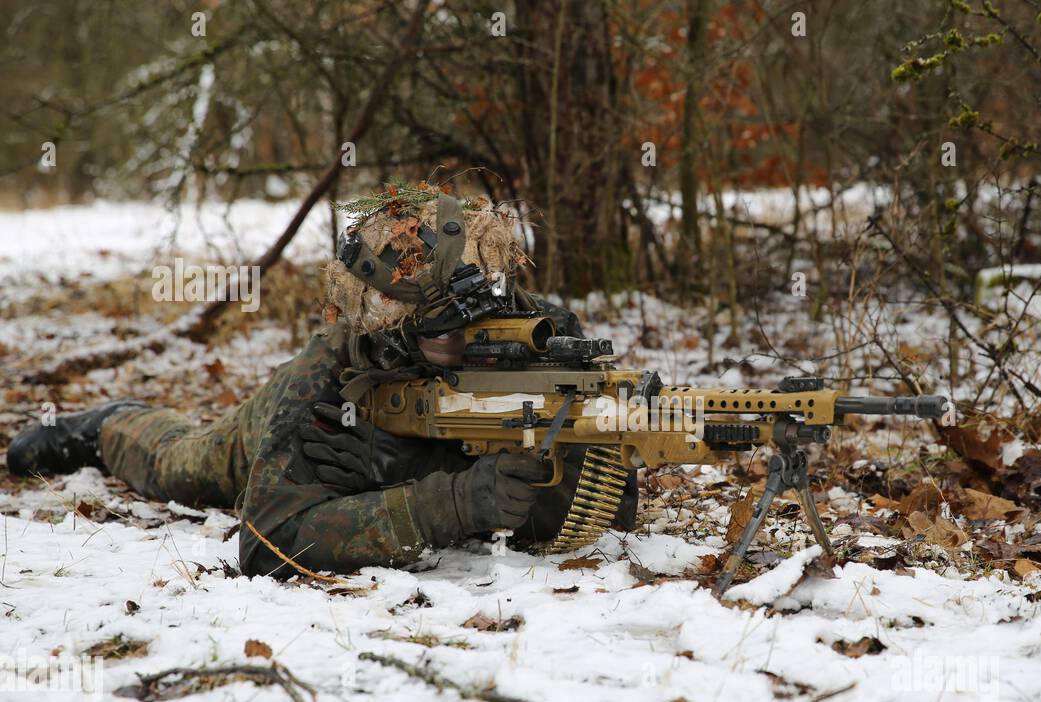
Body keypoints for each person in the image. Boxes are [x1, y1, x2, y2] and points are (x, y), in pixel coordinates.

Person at [6, 188, 637, 577]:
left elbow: (613, 502)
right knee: (182, 466)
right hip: (265, 436)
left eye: (485, 318)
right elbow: (264, 542)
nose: (476, 341)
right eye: (446, 331)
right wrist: (442, 505)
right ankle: (109, 422)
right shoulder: (322, 382)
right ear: (392, 331)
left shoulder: (534, 334)